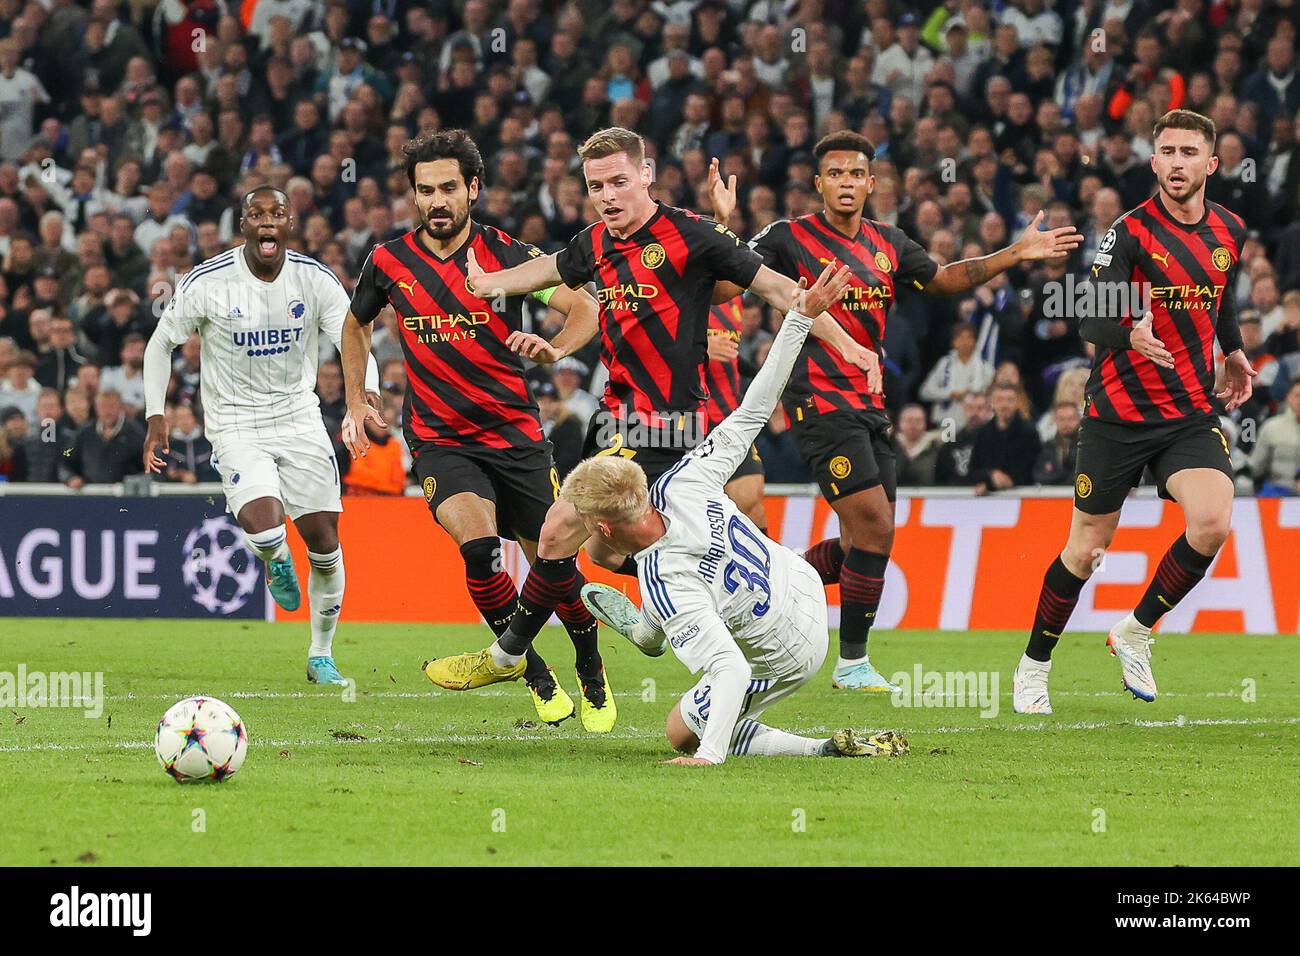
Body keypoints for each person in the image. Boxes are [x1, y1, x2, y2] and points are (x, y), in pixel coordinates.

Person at [420, 126, 875, 699]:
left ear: (646, 176)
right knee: (603, 549)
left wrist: (850, 345)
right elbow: (553, 269)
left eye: (617, 182)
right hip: (615, 422)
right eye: (595, 186)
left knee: (559, 529)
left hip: (666, 427)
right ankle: (657, 619)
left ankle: (507, 655)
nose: (607, 196)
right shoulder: (597, 242)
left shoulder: (692, 236)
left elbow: (785, 292)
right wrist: (488, 281)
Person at [708, 130, 1082, 691]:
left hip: (872, 405)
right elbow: (724, 284)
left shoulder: (890, 243)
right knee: (877, 529)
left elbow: (946, 278)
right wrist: (722, 224)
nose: (846, 184)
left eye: (856, 174)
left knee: (865, 543)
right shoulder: (788, 237)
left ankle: (770, 585)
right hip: (817, 403)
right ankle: (852, 662)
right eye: (835, 174)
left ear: (871, 183)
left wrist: (1016, 253)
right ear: (818, 184)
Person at [572, 263, 907, 764]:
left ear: (603, 525)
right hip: (802, 583)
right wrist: (798, 318)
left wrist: (706, 757)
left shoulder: (663, 579)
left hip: (790, 654)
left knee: (680, 728)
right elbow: (754, 408)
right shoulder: (684, 479)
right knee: (701, 614)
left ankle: (818, 750)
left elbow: (731, 668)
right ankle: (650, 632)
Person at [339, 129, 607, 728]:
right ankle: (533, 672)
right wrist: (357, 399)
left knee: (557, 568)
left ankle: (591, 665)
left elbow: (587, 306)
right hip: (440, 438)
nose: (437, 200)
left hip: (515, 435)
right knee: (481, 550)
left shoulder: (507, 254)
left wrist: (554, 349)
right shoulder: (387, 262)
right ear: (413, 195)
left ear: (473, 189)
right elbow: (354, 326)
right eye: (425, 190)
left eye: (449, 188)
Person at [1013, 110, 1256, 713]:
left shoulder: (1231, 231)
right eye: (1167, 151)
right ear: (1153, 162)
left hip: (1189, 413)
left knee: (1212, 521)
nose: (1177, 162)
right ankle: (1033, 665)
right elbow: (1091, 318)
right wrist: (1129, 336)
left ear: (1211, 164)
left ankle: (1136, 630)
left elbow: (1218, 301)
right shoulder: (1130, 233)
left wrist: (1234, 351)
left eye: (1188, 152)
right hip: (1118, 414)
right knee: (1087, 549)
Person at [143, 185, 382, 687]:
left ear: (289, 223)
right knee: (269, 529)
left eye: (277, 214)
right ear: (244, 225)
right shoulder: (208, 281)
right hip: (234, 423)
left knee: (324, 544)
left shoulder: (314, 280)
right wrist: (154, 414)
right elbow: (160, 344)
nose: (267, 223)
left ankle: (321, 654)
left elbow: (352, 339)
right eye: (256, 214)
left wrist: (366, 397)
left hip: (299, 421)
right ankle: (275, 558)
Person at [706, 294, 767, 528]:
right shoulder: (677, 293)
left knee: (749, 500)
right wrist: (699, 347)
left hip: (727, 419)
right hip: (682, 423)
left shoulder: (734, 301)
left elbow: (731, 357)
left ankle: (763, 565)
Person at [969, 381, 1042, 494]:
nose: (1004, 405)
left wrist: (1009, 481)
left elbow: (1034, 470)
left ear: (1017, 402)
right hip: (987, 498)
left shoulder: (1029, 432)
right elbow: (973, 470)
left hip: (1023, 495)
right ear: (992, 403)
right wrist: (990, 476)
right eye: (1000, 400)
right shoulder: (982, 433)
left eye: (1009, 400)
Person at [1249, 380, 1300, 496]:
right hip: (1277, 495)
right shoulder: (1271, 427)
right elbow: (1256, 466)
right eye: (1297, 396)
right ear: (1288, 397)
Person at [1032, 400, 1082, 486]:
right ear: (1055, 420)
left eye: (1071, 419)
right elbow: (1039, 475)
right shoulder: (1048, 446)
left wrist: (1056, 474)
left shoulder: (1085, 446)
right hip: (1052, 497)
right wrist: (1067, 475)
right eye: (1062, 419)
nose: (1066, 423)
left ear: (1079, 420)